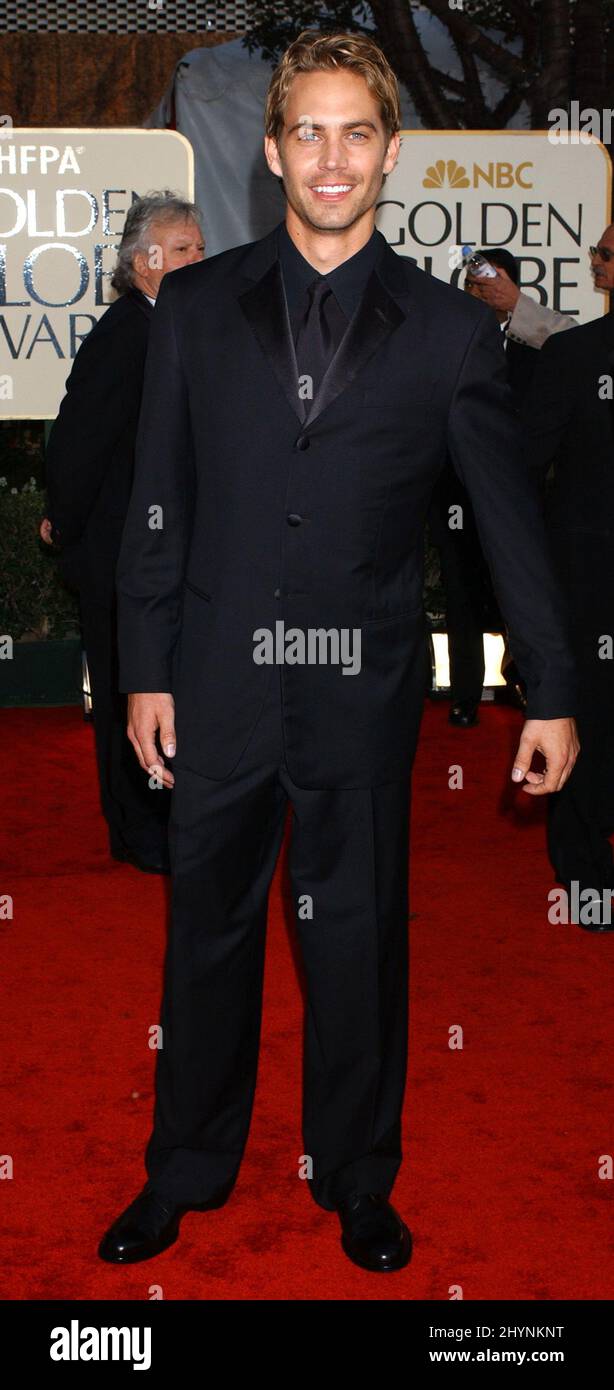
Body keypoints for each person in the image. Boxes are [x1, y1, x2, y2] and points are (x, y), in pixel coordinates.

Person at [100, 31, 578, 1272]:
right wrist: (145, 670)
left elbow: (508, 524)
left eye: (353, 132)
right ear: (269, 152)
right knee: (205, 934)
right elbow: (161, 498)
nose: (329, 157)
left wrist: (551, 685)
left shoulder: (443, 332)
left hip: (359, 696)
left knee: (357, 942)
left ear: (388, 153)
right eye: (305, 131)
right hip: (213, 682)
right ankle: (184, 1170)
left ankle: (357, 1178)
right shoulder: (193, 307)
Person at [43, 192, 205, 873]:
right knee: (123, 694)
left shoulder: (164, 329)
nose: (201, 259)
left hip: (156, 555)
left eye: (201, 247)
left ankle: (158, 822)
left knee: (150, 687)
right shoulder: (127, 334)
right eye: (187, 250)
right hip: (118, 556)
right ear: (146, 263)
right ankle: (140, 834)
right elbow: (80, 441)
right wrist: (65, 522)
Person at [429, 248, 575, 729]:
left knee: (522, 585)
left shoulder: (542, 340)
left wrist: (518, 308)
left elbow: (573, 346)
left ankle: (526, 683)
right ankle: (465, 692)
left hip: (524, 490)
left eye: (490, 283)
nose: (481, 291)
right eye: (473, 285)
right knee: (461, 592)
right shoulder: (450, 338)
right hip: (455, 489)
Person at [522, 223, 614, 932]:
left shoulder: (574, 354)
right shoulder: (573, 355)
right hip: (587, 585)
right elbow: (519, 471)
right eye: (597, 253)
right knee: (581, 720)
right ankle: (584, 877)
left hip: (582, 575)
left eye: (605, 254)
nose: (595, 263)